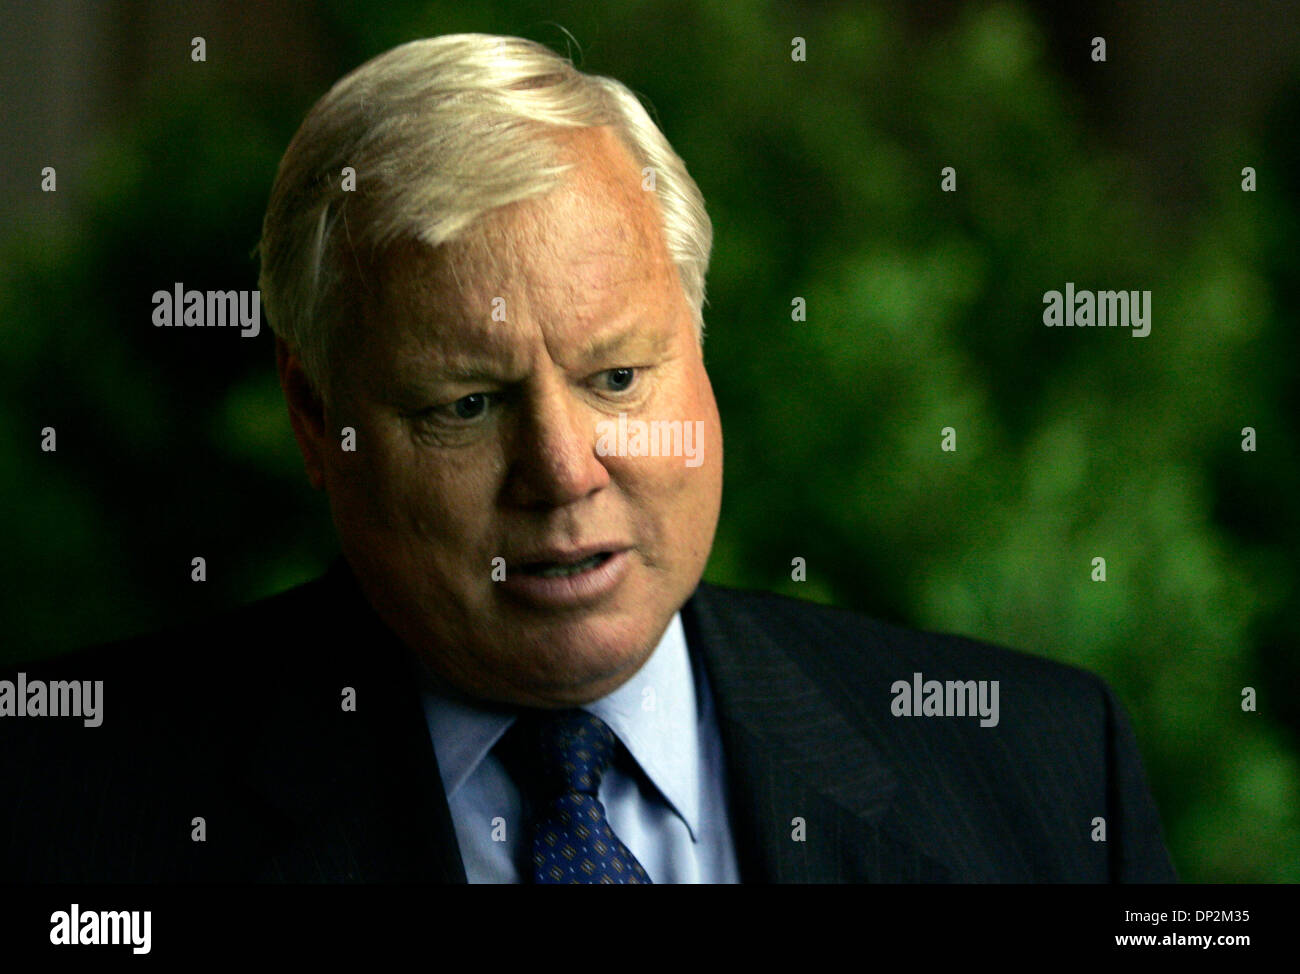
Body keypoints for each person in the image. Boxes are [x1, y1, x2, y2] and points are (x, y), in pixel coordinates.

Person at [0, 34, 1176, 883]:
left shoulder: (1044, 771)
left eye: (617, 378)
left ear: (701, 355)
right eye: (465, 404)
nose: (563, 470)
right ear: (318, 422)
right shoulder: (69, 806)